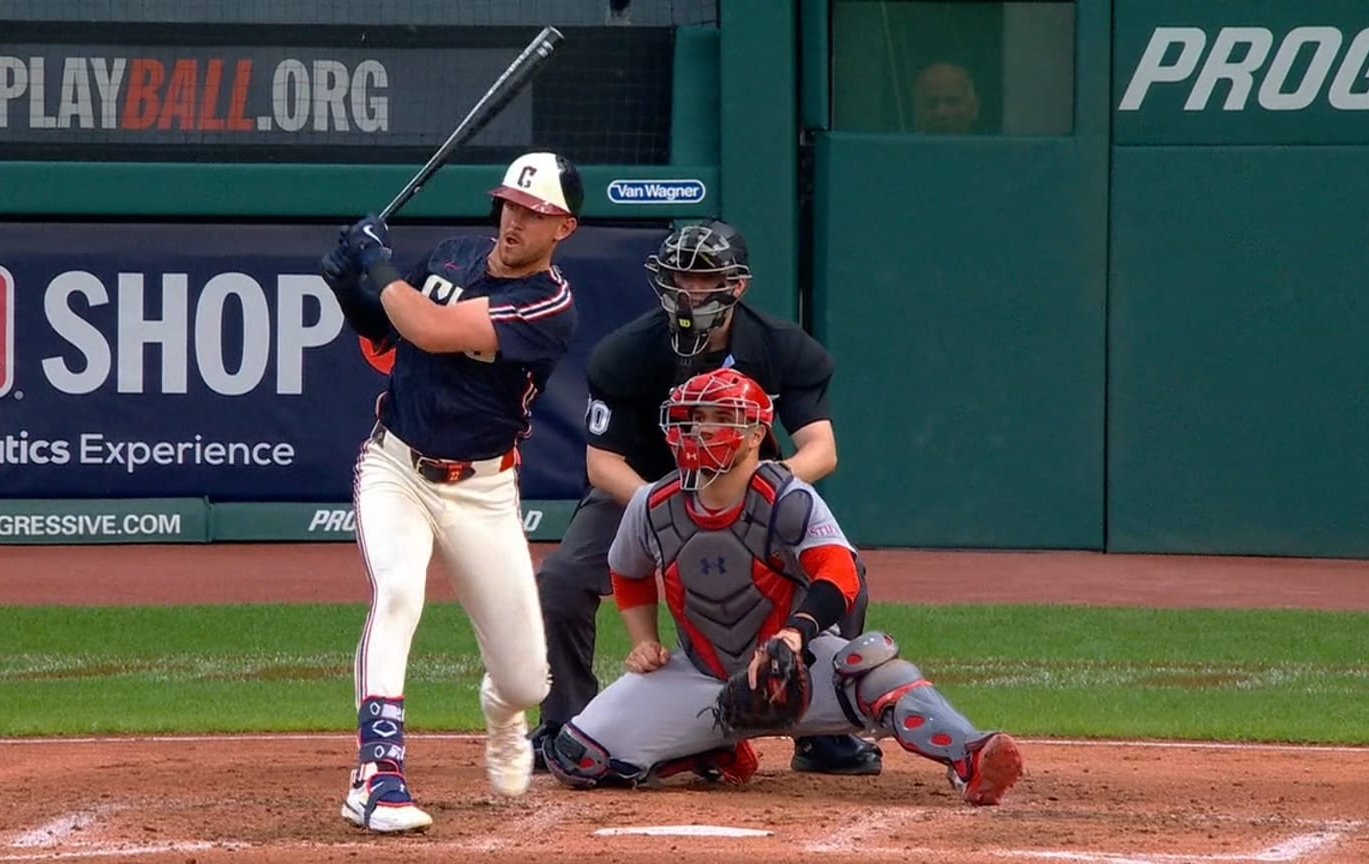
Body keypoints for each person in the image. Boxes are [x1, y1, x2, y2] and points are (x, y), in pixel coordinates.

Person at [541, 368, 1024, 804]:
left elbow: (838, 570)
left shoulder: (786, 499)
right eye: (690, 419)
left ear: (755, 434)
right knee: (578, 756)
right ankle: (714, 749)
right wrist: (644, 640)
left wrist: (794, 634)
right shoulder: (652, 503)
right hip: (702, 673)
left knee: (878, 672)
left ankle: (969, 754)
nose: (697, 431)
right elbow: (627, 571)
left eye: (715, 419)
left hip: (797, 669)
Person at [532, 218, 883, 777]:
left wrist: (759, 491)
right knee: (562, 580)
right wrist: (672, 506)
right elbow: (602, 465)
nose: (689, 290)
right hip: (641, 492)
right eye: (678, 276)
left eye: (704, 278)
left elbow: (822, 450)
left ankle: (826, 733)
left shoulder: (781, 347)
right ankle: (564, 723)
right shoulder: (626, 353)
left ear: (737, 285)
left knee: (842, 573)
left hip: (752, 492)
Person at [317, 151, 585, 833]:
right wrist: (351, 290)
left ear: (564, 229)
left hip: (484, 491)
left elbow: (431, 328)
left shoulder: (549, 306)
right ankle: (377, 775)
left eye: (535, 212)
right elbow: (387, 337)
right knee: (399, 591)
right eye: (510, 204)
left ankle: (502, 714)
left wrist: (377, 267)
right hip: (396, 466)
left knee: (528, 680)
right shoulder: (452, 255)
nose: (515, 220)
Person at [912, 61, 980, 134]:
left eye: (951, 102)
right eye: (931, 104)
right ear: (917, 111)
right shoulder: (903, 145)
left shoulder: (990, 144)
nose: (941, 113)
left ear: (973, 108)